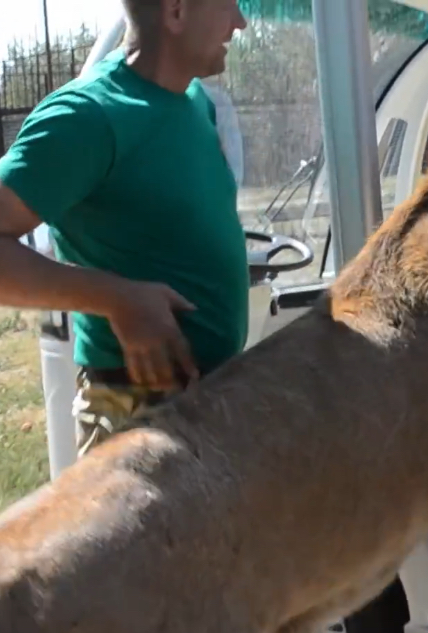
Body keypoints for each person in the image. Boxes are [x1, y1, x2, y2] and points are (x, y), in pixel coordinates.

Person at [0, 0, 249, 457]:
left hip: (208, 394)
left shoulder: (193, 101)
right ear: (175, 12)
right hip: (132, 412)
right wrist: (118, 299)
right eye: (228, 5)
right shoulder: (86, 117)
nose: (240, 21)